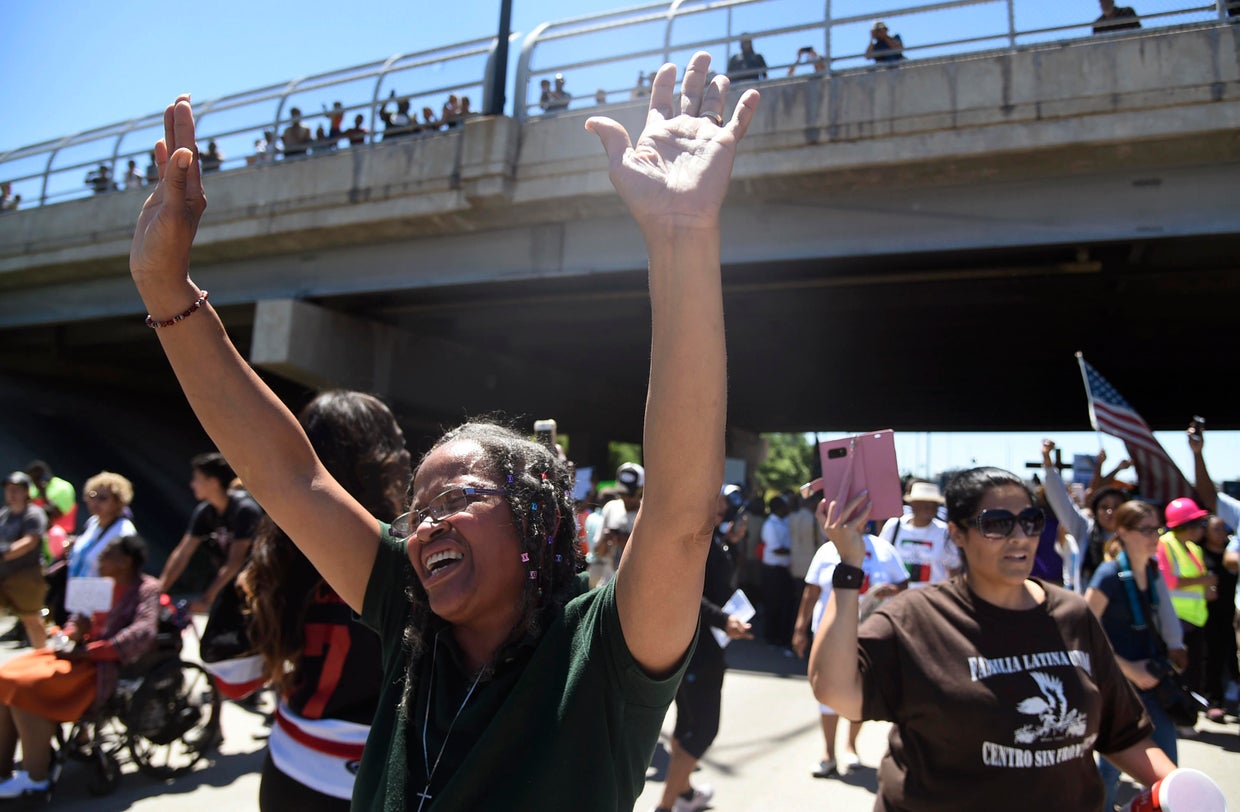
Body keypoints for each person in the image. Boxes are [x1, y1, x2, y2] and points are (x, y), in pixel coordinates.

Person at [127, 51, 758, 810]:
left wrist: (682, 233)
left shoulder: (604, 656)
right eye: (419, 510)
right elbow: (290, 476)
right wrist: (166, 288)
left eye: (457, 496)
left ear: (539, 522)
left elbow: (683, 519)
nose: (425, 525)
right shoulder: (409, 614)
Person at [808, 467, 1175, 810]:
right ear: (957, 534)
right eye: (997, 524)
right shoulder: (916, 618)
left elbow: (1123, 734)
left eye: (1030, 522)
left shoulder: (1073, 614)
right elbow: (835, 690)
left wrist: (1178, 788)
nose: (1019, 537)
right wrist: (849, 567)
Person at [238, 391, 409, 810]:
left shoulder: (273, 554)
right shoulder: (408, 555)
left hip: (288, 767)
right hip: (374, 778)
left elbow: (231, 673)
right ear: (377, 458)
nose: (407, 454)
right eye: (397, 440)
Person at [0, 534, 159, 799]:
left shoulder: (146, 589)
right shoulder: (99, 586)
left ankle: (35, 777)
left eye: (108, 554)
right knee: (6, 675)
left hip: (101, 666)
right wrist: (73, 632)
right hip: (77, 655)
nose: (101, 559)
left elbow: (143, 631)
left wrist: (96, 649)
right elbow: (77, 619)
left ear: (126, 561)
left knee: (26, 687)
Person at [651, 486, 753, 812]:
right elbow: (688, 594)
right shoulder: (695, 539)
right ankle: (666, 806)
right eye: (720, 497)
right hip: (697, 648)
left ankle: (684, 794)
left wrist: (733, 545)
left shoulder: (714, 539)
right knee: (703, 729)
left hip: (700, 647)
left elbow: (719, 583)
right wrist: (725, 621)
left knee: (687, 724)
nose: (725, 504)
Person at [1085, 500, 1186, 810]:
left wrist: (1176, 647)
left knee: (1168, 770)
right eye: (1145, 530)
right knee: (1111, 771)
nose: (1155, 536)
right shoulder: (1109, 574)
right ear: (1123, 532)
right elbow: (1082, 629)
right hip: (1120, 687)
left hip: (1154, 684)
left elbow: (1165, 616)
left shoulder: (1152, 568)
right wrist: (1127, 669)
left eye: (1157, 528)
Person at [793, 516, 907, 779]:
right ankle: (828, 753)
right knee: (827, 694)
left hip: (867, 634)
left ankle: (850, 746)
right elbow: (811, 592)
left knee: (861, 691)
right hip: (829, 638)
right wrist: (800, 628)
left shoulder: (883, 549)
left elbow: (903, 584)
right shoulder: (826, 550)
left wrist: (888, 591)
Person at [158, 452, 262, 613]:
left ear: (213, 482)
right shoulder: (205, 512)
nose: (192, 485)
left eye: (197, 479)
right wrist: (158, 590)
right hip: (229, 585)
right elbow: (182, 553)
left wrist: (207, 598)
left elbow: (235, 561)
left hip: (256, 586)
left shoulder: (245, 511)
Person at [1042, 439, 1128, 591]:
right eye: (1104, 507)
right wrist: (1048, 463)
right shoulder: (1084, 529)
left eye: (1116, 507)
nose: (1110, 512)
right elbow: (1060, 499)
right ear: (1095, 511)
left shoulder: (1134, 535)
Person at [57, 472, 138, 627]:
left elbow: (125, 572)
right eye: (92, 496)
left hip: (101, 606)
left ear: (118, 501)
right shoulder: (92, 523)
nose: (95, 502)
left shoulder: (124, 531)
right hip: (77, 599)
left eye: (103, 498)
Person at [1157, 496, 1214, 699]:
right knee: (1177, 670)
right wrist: (1203, 581)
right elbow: (1168, 581)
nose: (1202, 528)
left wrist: (1207, 588)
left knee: (1193, 670)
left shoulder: (1195, 549)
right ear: (1187, 525)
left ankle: (1189, 712)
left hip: (1195, 619)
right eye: (1199, 523)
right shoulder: (1164, 544)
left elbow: (1201, 581)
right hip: (1174, 619)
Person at [878, 480, 959, 588]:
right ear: (912, 504)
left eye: (933, 503)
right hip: (897, 600)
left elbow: (955, 567)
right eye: (923, 502)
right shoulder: (894, 526)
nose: (928, 506)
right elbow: (880, 558)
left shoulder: (945, 532)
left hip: (931, 600)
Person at [0, 474, 47, 650]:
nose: (12, 493)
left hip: (26, 576)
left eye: (17, 489)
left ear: (26, 492)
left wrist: (4, 554)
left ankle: (43, 659)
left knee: (31, 618)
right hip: (3, 574)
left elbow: (30, 542)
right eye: (9, 489)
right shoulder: (4, 514)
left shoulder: (33, 514)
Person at [1200, 515, 1238, 722]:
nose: (1221, 533)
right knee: (1211, 659)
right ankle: (1213, 702)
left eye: (1224, 529)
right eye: (1216, 529)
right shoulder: (1199, 553)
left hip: (1230, 615)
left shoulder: (1232, 553)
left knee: (1232, 659)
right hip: (1206, 616)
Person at [25, 461, 76, 537]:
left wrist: (43, 492)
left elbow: (57, 513)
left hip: (57, 537)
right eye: (32, 479)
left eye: (37, 478)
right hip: (34, 533)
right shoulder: (33, 488)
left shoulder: (63, 487)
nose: (35, 482)